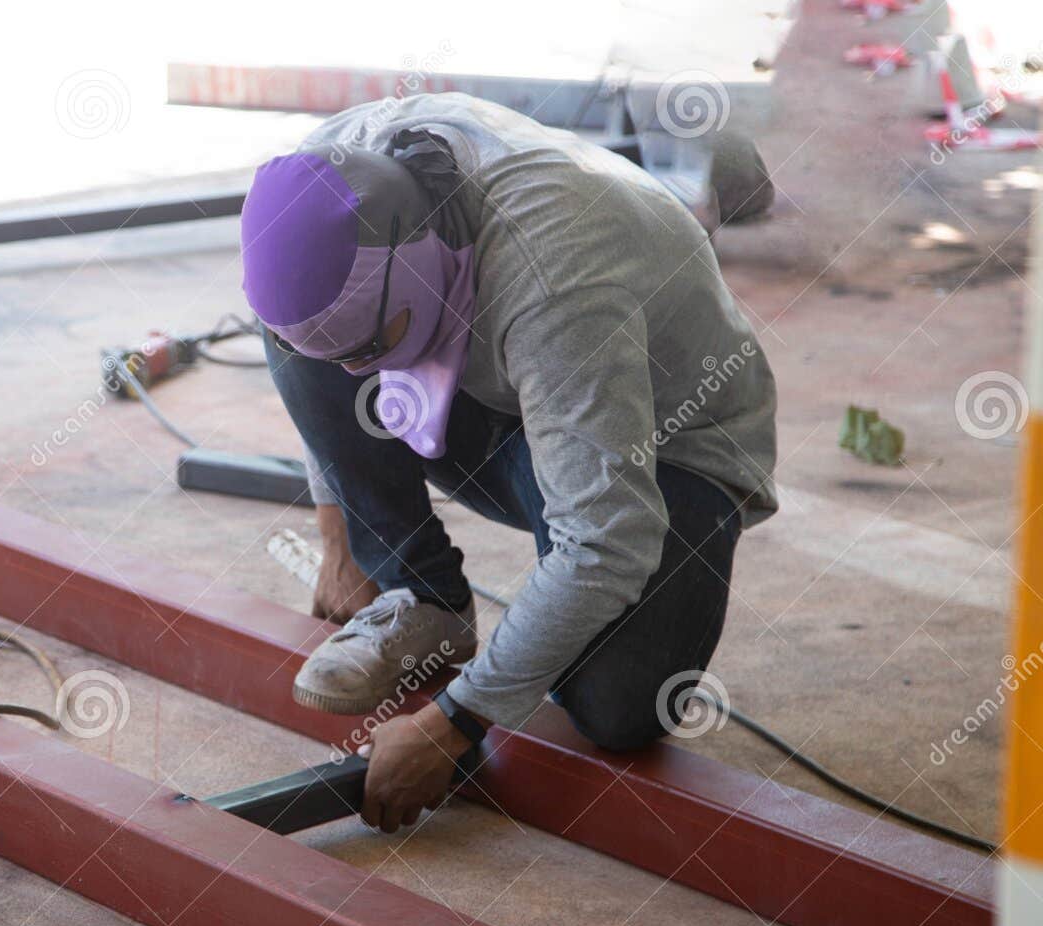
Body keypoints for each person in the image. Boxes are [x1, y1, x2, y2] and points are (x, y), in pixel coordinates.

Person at [240, 93, 777, 833]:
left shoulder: (556, 278)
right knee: (299, 332)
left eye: (372, 350)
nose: (361, 375)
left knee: (618, 709)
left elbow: (606, 539)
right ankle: (423, 596)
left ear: (423, 263)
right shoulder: (324, 171)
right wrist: (342, 536)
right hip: (514, 402)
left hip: (670, 446)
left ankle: (581, 603)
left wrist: (454, 721)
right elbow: (312, 337)